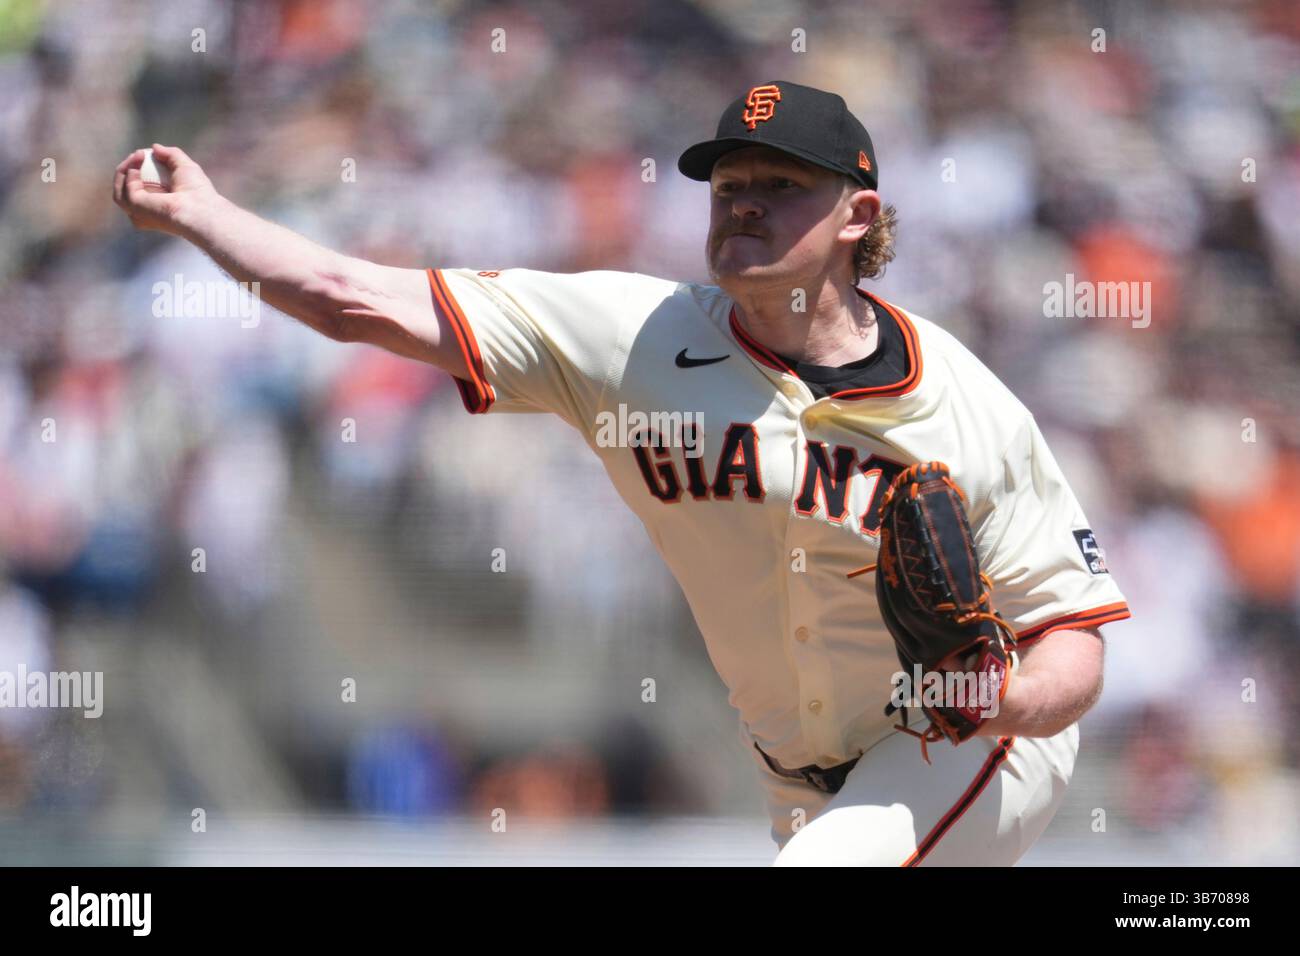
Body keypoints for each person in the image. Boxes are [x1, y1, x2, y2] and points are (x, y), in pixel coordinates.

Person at [113, 80, 1131, 865]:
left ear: (858, 218)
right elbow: (354, 299)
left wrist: (999, 698)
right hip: (797, 774)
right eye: (728, 186)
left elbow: (1074, 643)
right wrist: (204, 216)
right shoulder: (633, 338)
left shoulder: (966, 405)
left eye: (778, 187)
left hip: (967, 743)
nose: (741, 206)